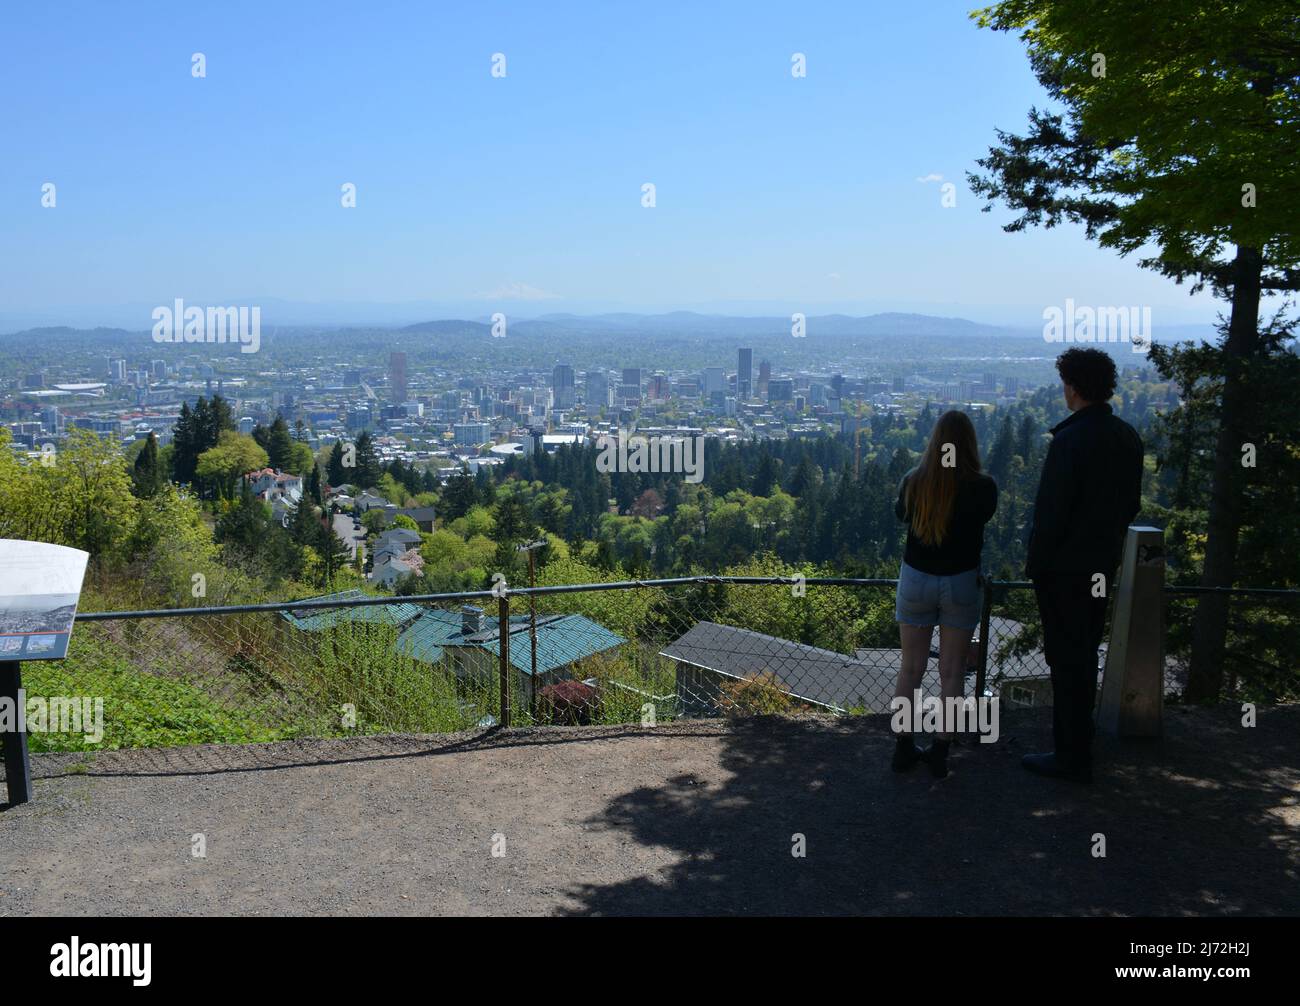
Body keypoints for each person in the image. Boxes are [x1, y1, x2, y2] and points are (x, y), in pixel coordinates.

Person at [1023, 348, 1143, 784]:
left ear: (1072, 387)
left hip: (1064, 571)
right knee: (1086, 650)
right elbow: (1129, 505)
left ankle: (1071, 755)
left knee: (1065, 657)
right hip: (1099, 567)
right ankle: (1080, 743)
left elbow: (1051, 515)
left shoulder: (1069, 441)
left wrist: (1036, 564)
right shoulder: (1127, 437)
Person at [892, 410, 998, 778]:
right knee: (952, 673)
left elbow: (901, 516)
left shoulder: (914, 482)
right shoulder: (984, 488)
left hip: (917, 578)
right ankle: (940, 751)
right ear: (970, 442)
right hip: (960, 581)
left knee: (911, 669)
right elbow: (982, 517)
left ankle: (903, 747)